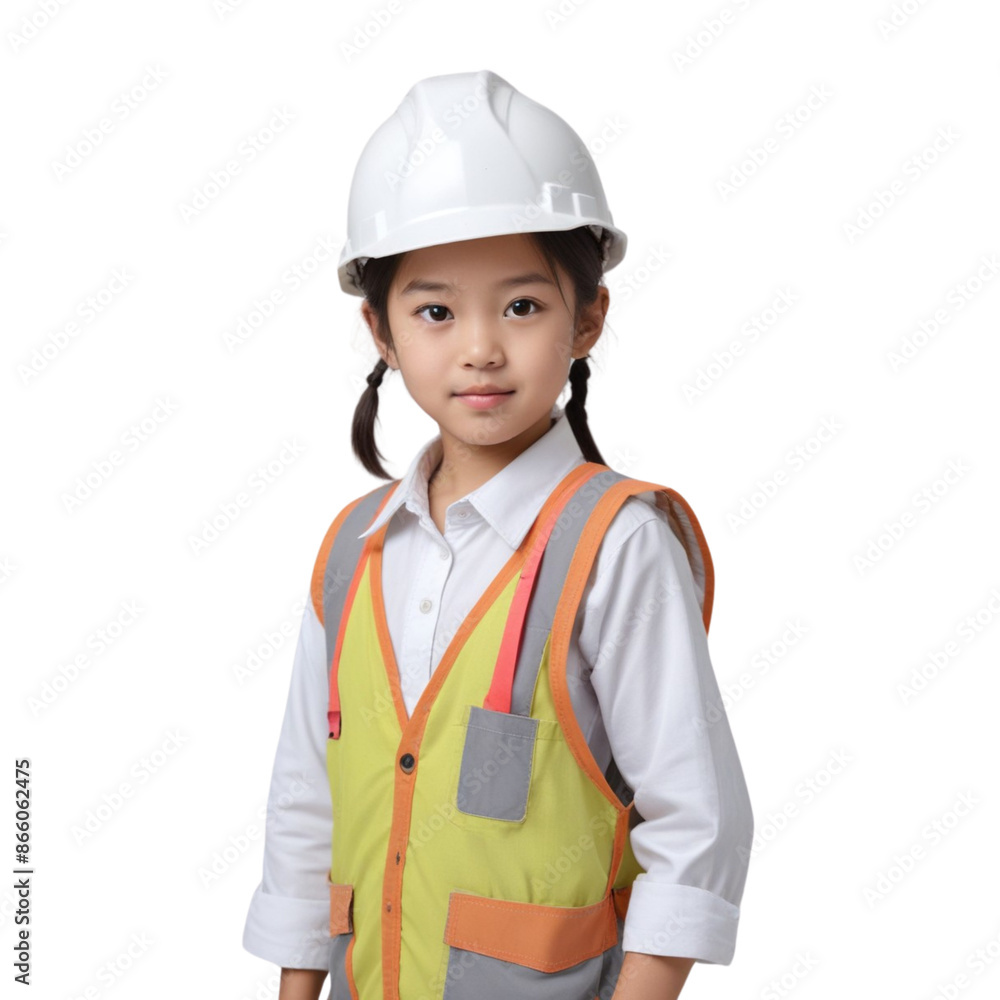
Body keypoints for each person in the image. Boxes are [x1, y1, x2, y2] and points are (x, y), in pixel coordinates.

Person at [243, 69, 754, 1000]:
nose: (480, 347)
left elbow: (696, 827)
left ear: (587, 318)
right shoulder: (352, 551)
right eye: (435, 312)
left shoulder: (617, 546)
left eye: (522, 306)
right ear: (381, 332)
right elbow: (305, 807)